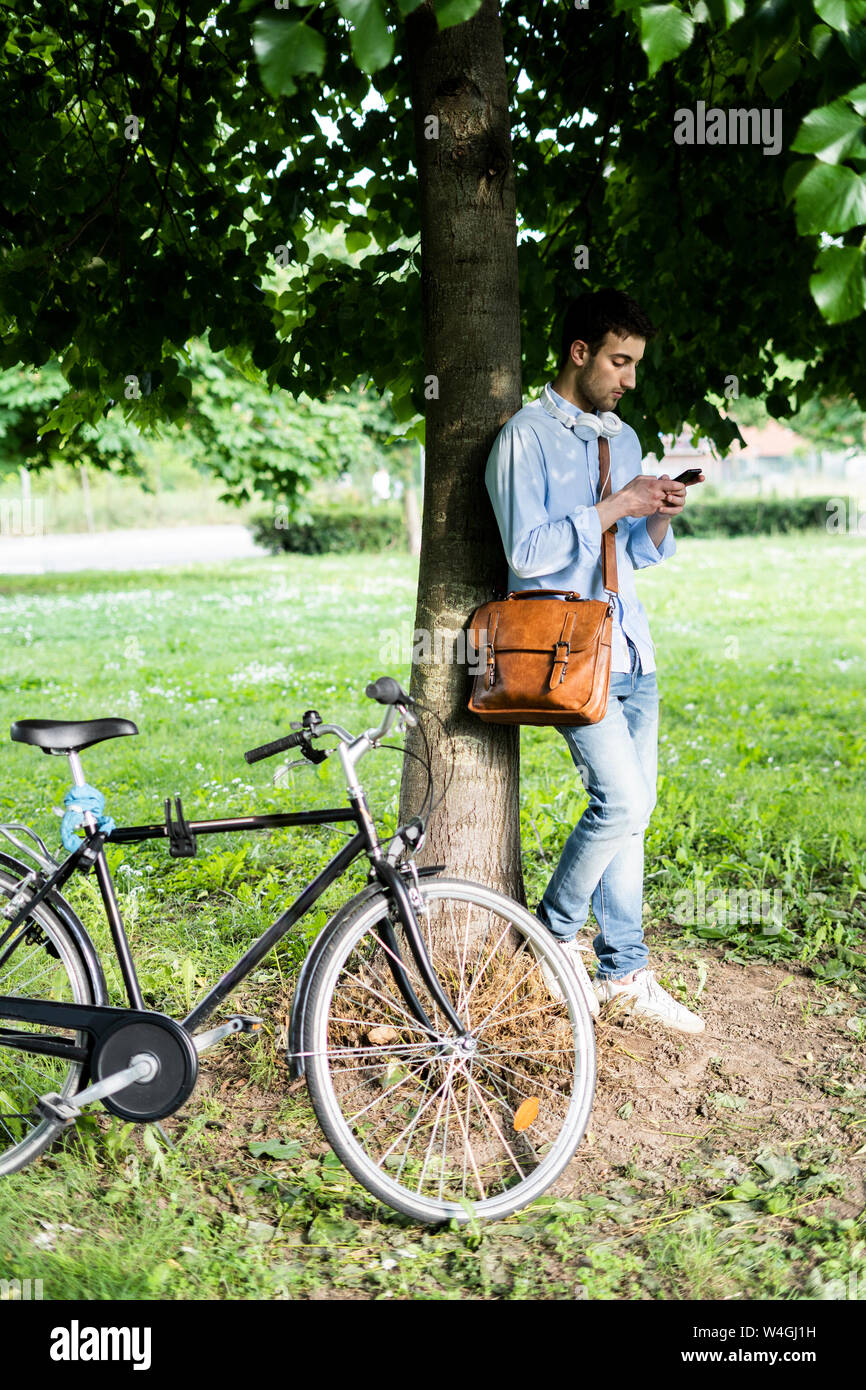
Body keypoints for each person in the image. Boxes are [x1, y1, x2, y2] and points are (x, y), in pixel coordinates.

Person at [484, 288, 705, 1034]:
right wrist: (615, 506)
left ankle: (624, 972)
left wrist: (660, 516)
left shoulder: (625, 438)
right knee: (625, 802)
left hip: (632, 646)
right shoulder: (526, 437)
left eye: (636, 364)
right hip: (568, 653)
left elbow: (635, 554)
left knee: (633, 818)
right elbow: (527, 555)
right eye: (620, 361)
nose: (629, 379)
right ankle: (549, 936)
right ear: (580, 353)